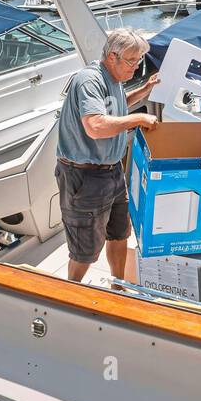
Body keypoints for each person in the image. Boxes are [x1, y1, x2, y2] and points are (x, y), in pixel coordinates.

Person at [55, 28, 160, 283]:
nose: (136, 67)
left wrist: (144, 90)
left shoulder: (113, 80)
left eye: (138, 61)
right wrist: (138, 118)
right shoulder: (89, 80)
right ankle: (71, 292)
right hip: (85, 175)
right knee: (85, 249)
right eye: (131, 61)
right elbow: (96, 125)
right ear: (112, 56)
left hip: (111, 171)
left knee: (119, 233)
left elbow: (117, 105)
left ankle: (118, 285)